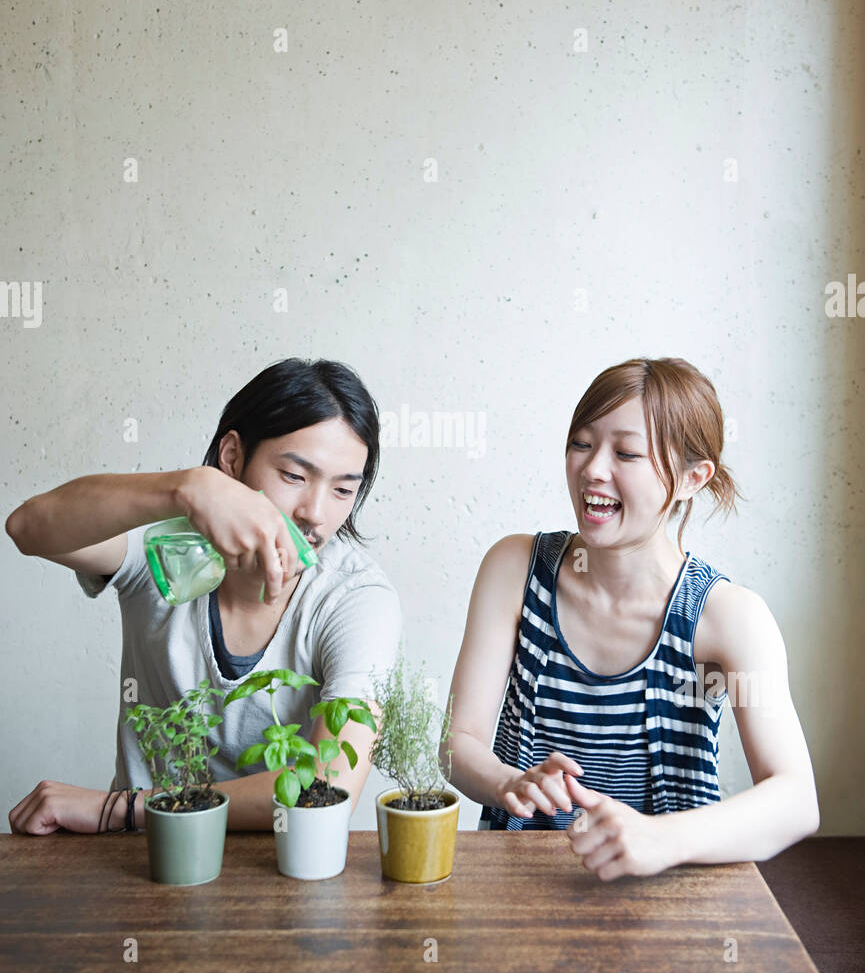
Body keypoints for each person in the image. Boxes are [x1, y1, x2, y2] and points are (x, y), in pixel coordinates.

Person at [442, 356, 820, 879]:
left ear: (692, 478)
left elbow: (797, 800)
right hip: (520, 883)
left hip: (673, 887)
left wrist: (659, 839)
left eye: (626, 452)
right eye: (582, 443)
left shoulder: (727, 618)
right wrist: (508, 782)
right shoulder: (514, 569)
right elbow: (456, 744)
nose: (593, 469)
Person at [6, 358, 401, 834]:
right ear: (232, 457)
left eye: (342, 490)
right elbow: (28, 528)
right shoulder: (165, 549)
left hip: (277, 869)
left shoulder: (355, 599)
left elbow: (327, 786)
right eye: (294, 477)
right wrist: (186, 487)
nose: (315, 513)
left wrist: (118, 809)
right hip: (142, 861)